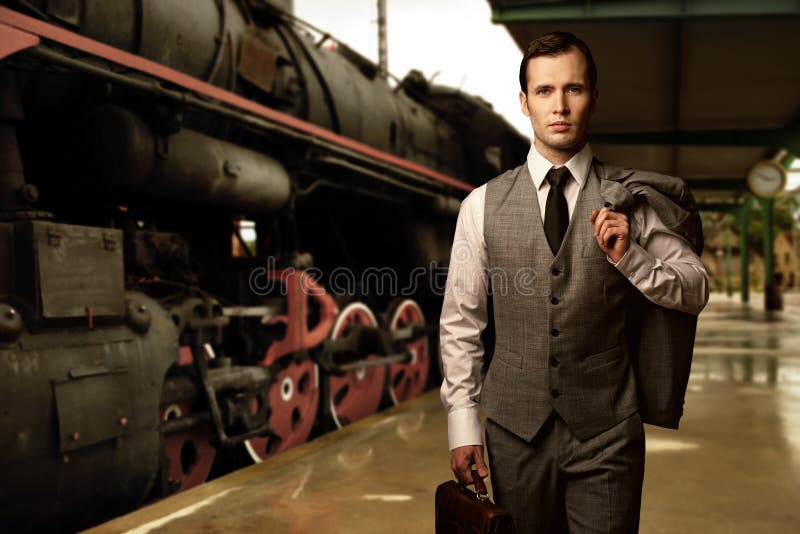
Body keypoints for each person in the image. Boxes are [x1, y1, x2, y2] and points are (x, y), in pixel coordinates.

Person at [439, 31, 709, 533]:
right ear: (524, 102)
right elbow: (462, 323)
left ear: (593, 99)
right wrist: (462, 424)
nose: (559, 105)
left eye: (574, 89)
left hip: (607, 432)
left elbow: (696, 288)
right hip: (513, 432)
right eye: (544, 91)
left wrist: (633, 258)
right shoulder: (480, 206)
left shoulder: (631, 200)